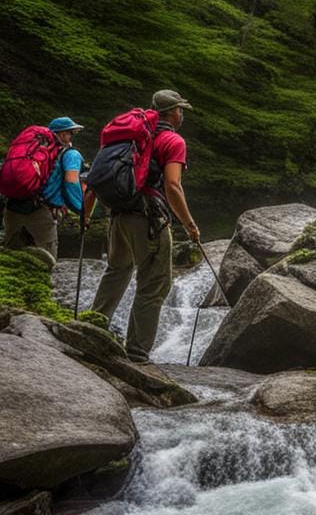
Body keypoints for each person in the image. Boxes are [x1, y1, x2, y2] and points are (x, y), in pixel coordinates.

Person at [89, 90, 201, 363]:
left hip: (118, 214)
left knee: (117, 270)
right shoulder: (173, 140)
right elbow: (172, 185)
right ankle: (137, 354)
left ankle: (91, 328)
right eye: (180, 110)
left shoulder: (130, 137)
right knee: (154, 284)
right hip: (148, 217)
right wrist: (189, 225)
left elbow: (97, 176)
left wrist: (86, 213)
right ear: (172, 112)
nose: (182, 114)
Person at [1, 117, 87, 258]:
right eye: (71, 132)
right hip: (41, 211)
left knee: (11, 258)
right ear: (63, 134)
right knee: (47, 258)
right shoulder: (71, 154)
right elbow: (71, 182)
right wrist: (82, 211)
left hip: (12, 207)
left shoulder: (30, 149)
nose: (72, 136)